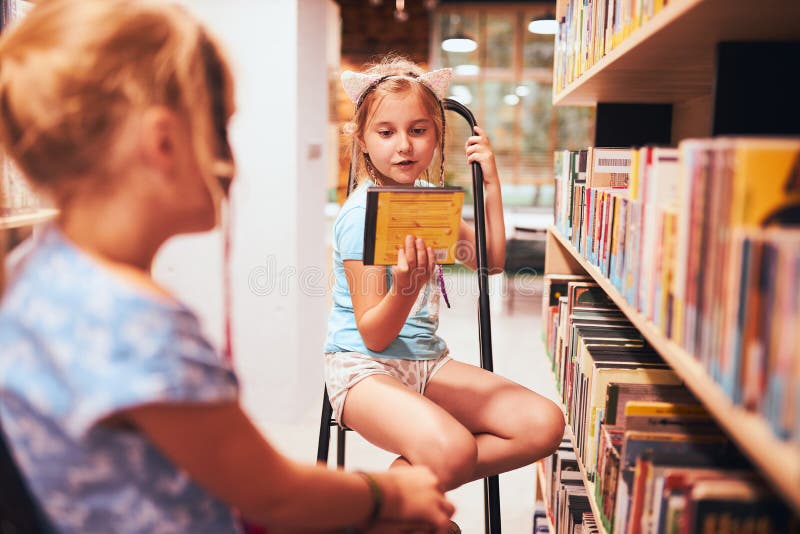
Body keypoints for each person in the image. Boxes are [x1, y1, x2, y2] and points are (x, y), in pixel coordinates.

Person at [0, 1, 455, 532]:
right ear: (164, 141)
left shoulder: (37, 269)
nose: (231, 158)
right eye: (222, 128)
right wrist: (391, 492)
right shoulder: (136, 327)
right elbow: (278, 497)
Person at [324, 56, 566, 496]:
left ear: (437, 136)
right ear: (361, 139)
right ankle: (402, 506)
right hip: (363, 369)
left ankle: (400, 496)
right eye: (386, 132)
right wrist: (406, 289)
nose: (404, 145)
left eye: (418, 130)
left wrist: (490, 185)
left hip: (427, 362)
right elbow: (373, 335)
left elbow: (489, 261)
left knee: (544, 424)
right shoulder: (360, 215)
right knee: (453, 450)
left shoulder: (428, 201)